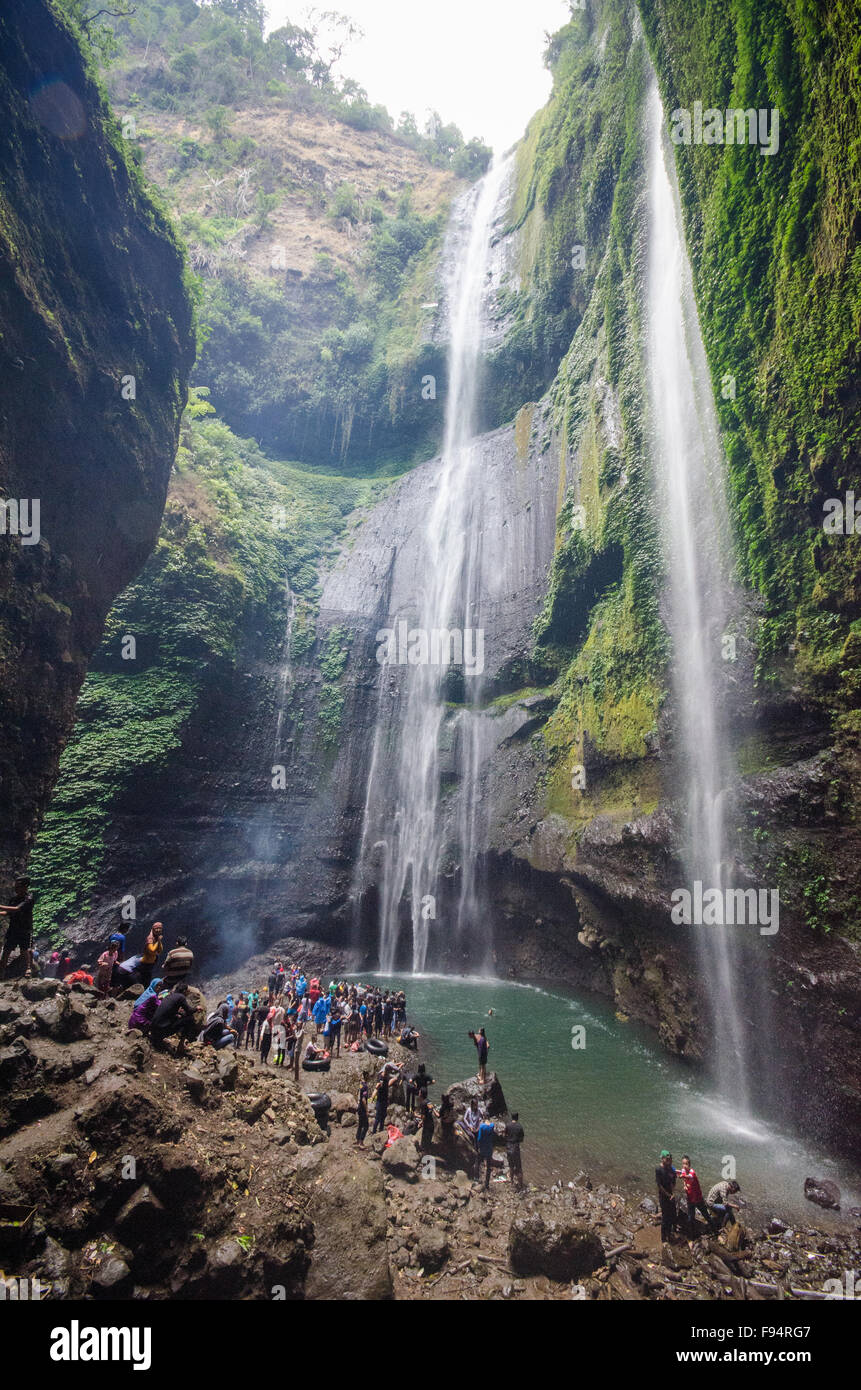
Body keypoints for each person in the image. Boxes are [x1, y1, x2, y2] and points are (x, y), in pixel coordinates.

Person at [0, 878, 35, 978]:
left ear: (25, 887)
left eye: (18, 887)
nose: (16, 889)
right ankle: (2, 971)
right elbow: (8, 912)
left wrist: (0, 906)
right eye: (15, 887)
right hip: (13, 928)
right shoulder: (13, 899)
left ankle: (28, 968)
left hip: (24, 928)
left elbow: (16, 909)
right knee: (7, 950)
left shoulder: (29, 898)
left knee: (24, 949)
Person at [150, 983, 197, 1055]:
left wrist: (178, 1014)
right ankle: (181, 1046)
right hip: (161, 1031)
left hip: (153, 1028)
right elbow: (189, 1011)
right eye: (187, 991)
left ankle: (158, 1038)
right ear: (184, 991)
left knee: (180, 1016)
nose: (188, 993)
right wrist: (197, 1008)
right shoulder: (181, 997)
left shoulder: (169, 995)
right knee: (190, 1019)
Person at [679, 1155, 715, 1235]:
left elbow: (690, 1177)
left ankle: (715, 1231)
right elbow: (685, 1180)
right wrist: (684, 1185)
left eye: (686, 1164)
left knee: (706, 1215)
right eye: (683, 1164)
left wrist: (683, 1176)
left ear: (689, 1165)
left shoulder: (692, 1172)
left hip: (698, 1199)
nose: (684, 1166)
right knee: (690, 1218)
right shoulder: (683, 1170)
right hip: (690, 1199)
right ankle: (691, 1235)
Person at [656, 1150, 678, 1243]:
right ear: (662, 1159)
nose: (669, 1161)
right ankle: (663, 1238)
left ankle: (669, 1233)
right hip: (664, 1196)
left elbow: (673, 1181)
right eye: (667, 1159)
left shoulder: (671, 1168)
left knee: (672, 1215)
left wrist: (673, 1192)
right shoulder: (659, 1169)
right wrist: (668, 1195)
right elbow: (659, 1185)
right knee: (665, 1217)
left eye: (670, 1159)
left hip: (671, 1195)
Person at [504, 1112, 525, 1191]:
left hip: (509, 1147)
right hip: (515, 1148)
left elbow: (504, 1135)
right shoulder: (519, 1127)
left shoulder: (508, 1125)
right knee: (519, 1167)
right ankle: (520, 1184)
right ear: (517, 1118)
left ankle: (511, 1181)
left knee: (511, 1166)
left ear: (511, 1117)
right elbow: (521, 1139)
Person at [477, 1118, 497, 1188]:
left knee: (478, 1163)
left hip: (483, 1148)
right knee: (488, 1166)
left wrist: (478, 1146)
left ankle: (477, 1179)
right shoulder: (492, 1126)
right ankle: (487, 1183)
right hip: (489, 1148)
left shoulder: (482, 1126)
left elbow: (479, 1138)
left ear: (484, 1118)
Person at [355, 1078, 370, 1149]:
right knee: (366, 1126)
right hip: (363, 1109)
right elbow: (364, 1099)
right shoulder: (365, 1086)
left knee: (360, 1125)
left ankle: (357, 1140)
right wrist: (367, 1110)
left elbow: (357, 1095)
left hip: (359, 1108)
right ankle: (361, 1142)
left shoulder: (360, 1085)